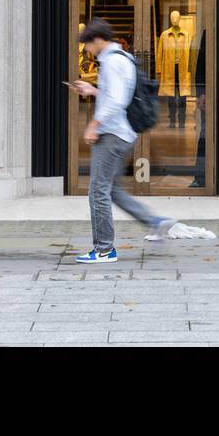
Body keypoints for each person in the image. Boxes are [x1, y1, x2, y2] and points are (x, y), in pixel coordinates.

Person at [72, 18, 175, 263]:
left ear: (97, 40)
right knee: (113, 190)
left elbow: (117, 101)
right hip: (122, 133)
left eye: (86, 45)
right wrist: (92, 90)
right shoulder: (122, 58)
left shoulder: (112, 62)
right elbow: (117, 95)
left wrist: (93, 125)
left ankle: (104, 249)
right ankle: (156, 222)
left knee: (98, 192)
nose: (86, 49)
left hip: (113, 135)